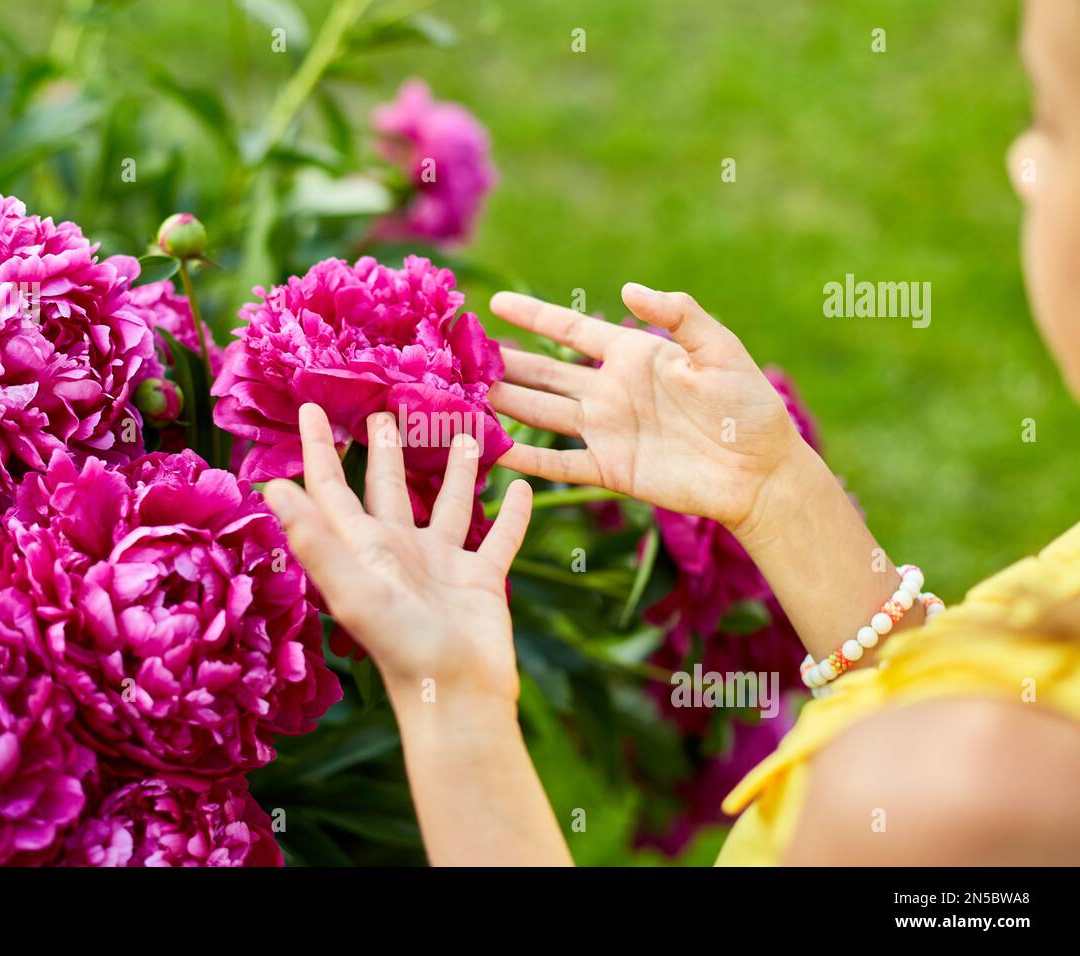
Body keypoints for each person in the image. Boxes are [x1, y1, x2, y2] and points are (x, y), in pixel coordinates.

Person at [262, 0, 1080, 865]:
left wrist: (452, 697)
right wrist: (779, 496)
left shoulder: (967, 804)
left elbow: (956, 779)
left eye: (1052, 124)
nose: (1021, 162)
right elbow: (950, 704)